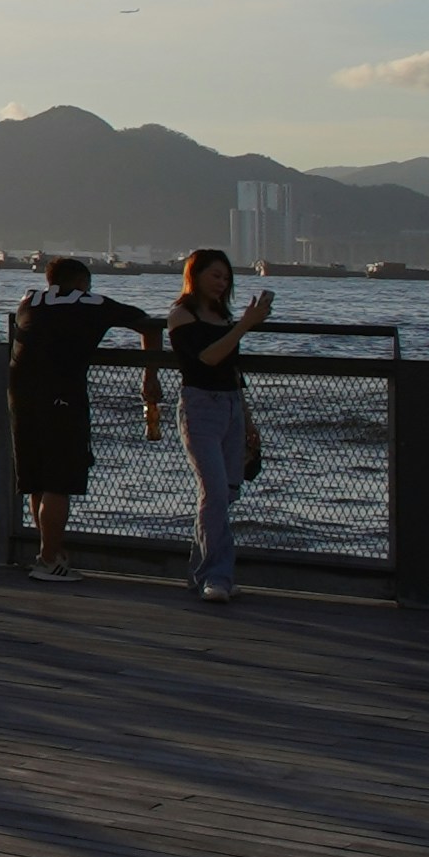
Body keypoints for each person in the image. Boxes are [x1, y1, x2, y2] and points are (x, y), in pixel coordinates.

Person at [6, 259, 148, 581]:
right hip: (63, 395)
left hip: (20, 394)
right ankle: (49, 558)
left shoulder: (29, 300)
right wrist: (148, 375)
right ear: (83, 281)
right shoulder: (93, 303)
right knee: (59, 479)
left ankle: (47, 552)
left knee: (38, 479)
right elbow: (146, 322)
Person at [161, 251, 266, 600]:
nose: (222, 284)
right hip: (200, 406)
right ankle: (217, 578)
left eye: (226, 278)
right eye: (215, 276)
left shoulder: (223, 316)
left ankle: (201, 573)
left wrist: (248, 419)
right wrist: (246, 325)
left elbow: (233, 372)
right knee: (215, 492)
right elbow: (207, 358)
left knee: (225, 494)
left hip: (231, 407)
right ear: (197, 275)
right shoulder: (181, 315)